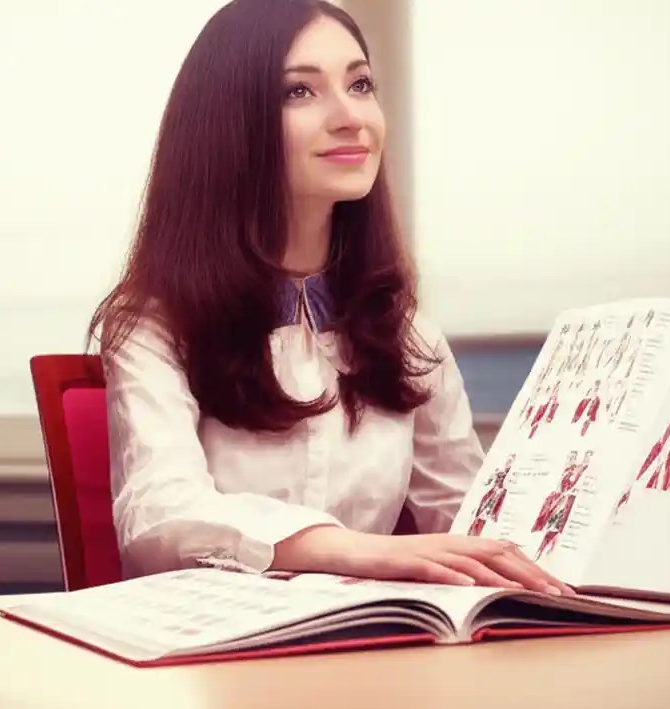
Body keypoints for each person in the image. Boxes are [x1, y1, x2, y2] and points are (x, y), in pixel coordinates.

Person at [87, 0, 571, 596]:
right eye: (300, 92)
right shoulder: (152, 324)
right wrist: (364, 553)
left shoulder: (406, 330)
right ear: (230, 123)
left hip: (374, 655)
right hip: (212, 670)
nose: (351, 117)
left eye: (360, 84)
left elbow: (466, 517)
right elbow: (160, 514)